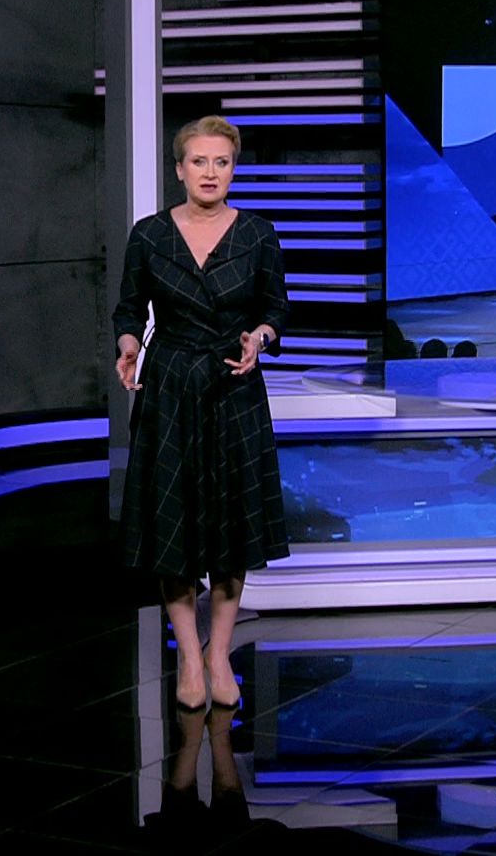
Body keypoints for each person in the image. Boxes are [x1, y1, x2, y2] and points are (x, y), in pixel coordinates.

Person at [112, 115, 289, 713]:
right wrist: (129, 345)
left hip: (234, 387)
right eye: (199, 161)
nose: (210, 172)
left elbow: (276, 309)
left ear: (233, 170)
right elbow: (129, 308)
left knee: (232, 529)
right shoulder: (150, 235)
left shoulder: (258, 234)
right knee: (175, 525)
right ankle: (189, 655)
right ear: (180, 169)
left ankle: (219, 656)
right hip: (170, 389)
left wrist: (259, 337)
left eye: (222, 162)